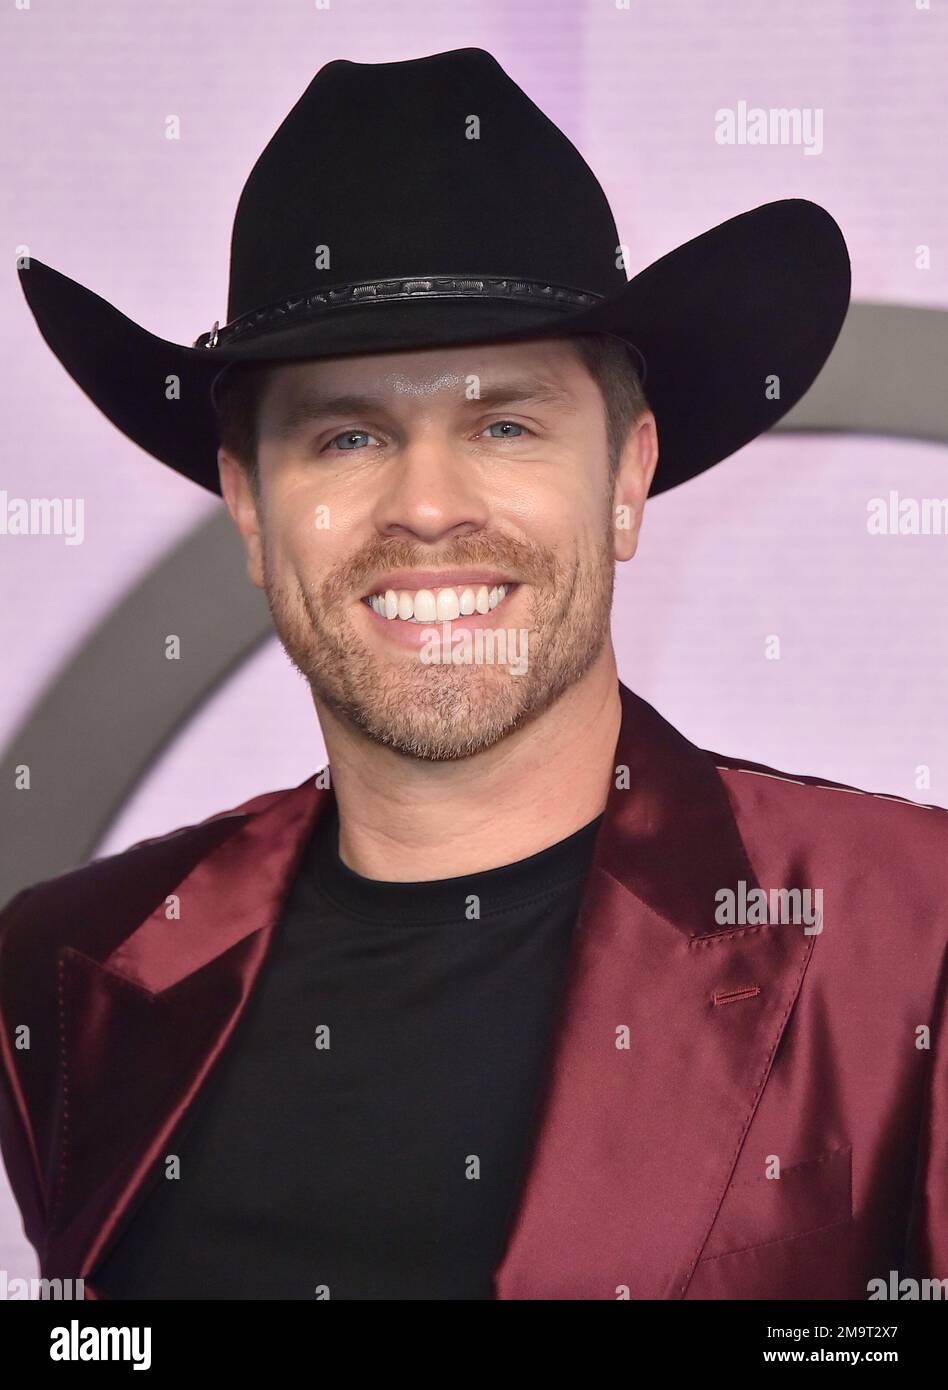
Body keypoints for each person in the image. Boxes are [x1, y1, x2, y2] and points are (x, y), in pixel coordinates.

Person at [2, 47, 944, 1301]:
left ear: (625, 476)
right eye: (348, 434)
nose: (428, 507)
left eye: (503, 421)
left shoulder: (910, 933)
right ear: (248, 504)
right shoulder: (70, 975)